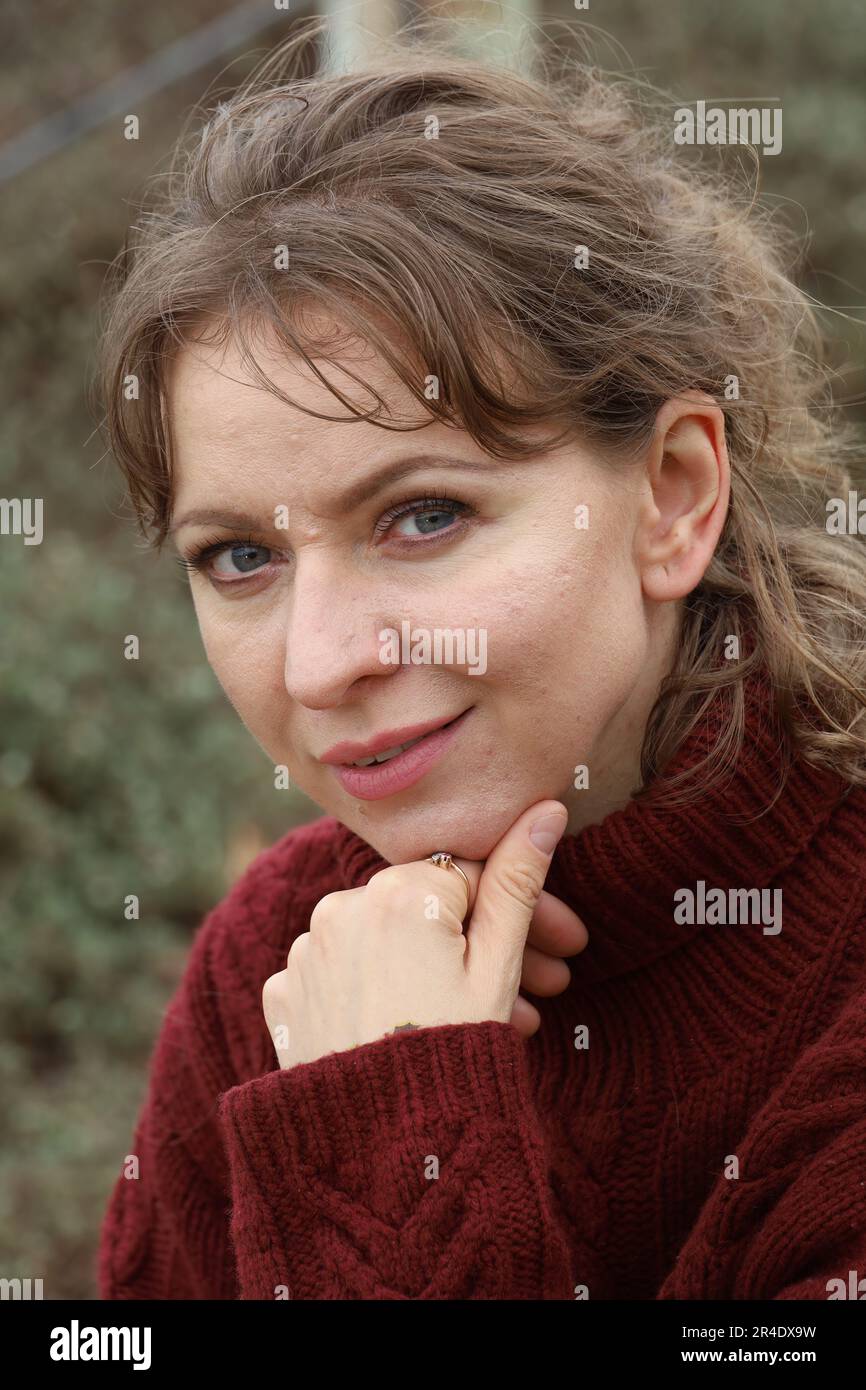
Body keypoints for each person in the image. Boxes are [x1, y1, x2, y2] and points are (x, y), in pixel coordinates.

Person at [94, 21, 866, 1299]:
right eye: (239, 557)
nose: (320, 663)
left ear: (672, 494)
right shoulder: (276, 967)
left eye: (422, 516)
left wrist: (392, 1126)